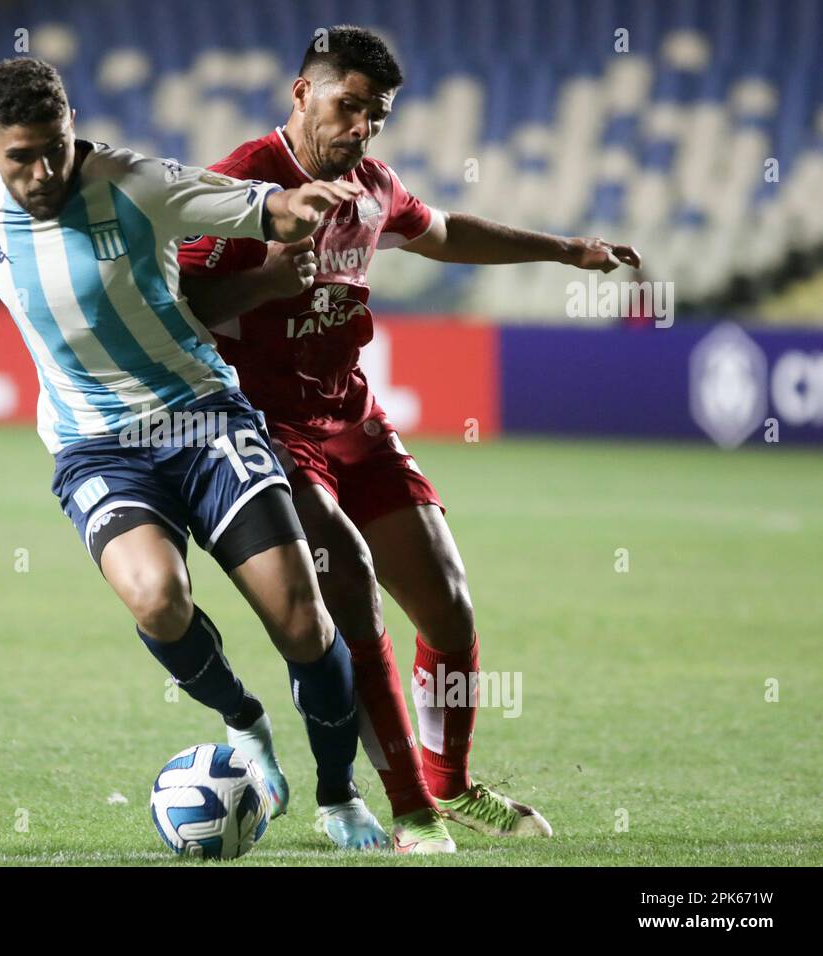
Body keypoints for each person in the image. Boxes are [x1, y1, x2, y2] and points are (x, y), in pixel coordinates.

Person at [179, 26, 642, 852]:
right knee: (349, 581)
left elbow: (447, 232)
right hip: (264, 425)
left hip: (351, 415)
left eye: (376, 116)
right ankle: (406, 809)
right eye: (346, 106)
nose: (359, 128)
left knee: (449, 606)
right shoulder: (239, 186)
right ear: (301, 94)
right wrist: (265, 278)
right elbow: (181, 310)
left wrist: (566, 251)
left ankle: (450, 784)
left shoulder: (372, 186)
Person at [0, 57, 390, 849]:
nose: (44, 171)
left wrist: (298, 205)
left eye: (58, 147)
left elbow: (259, 208)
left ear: (75, 130)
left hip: (201, 419)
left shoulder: (134, 181)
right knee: (156, 598)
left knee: (298, 613)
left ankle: (338, 794)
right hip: (97, 445)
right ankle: (244, 721)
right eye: (21, 157)